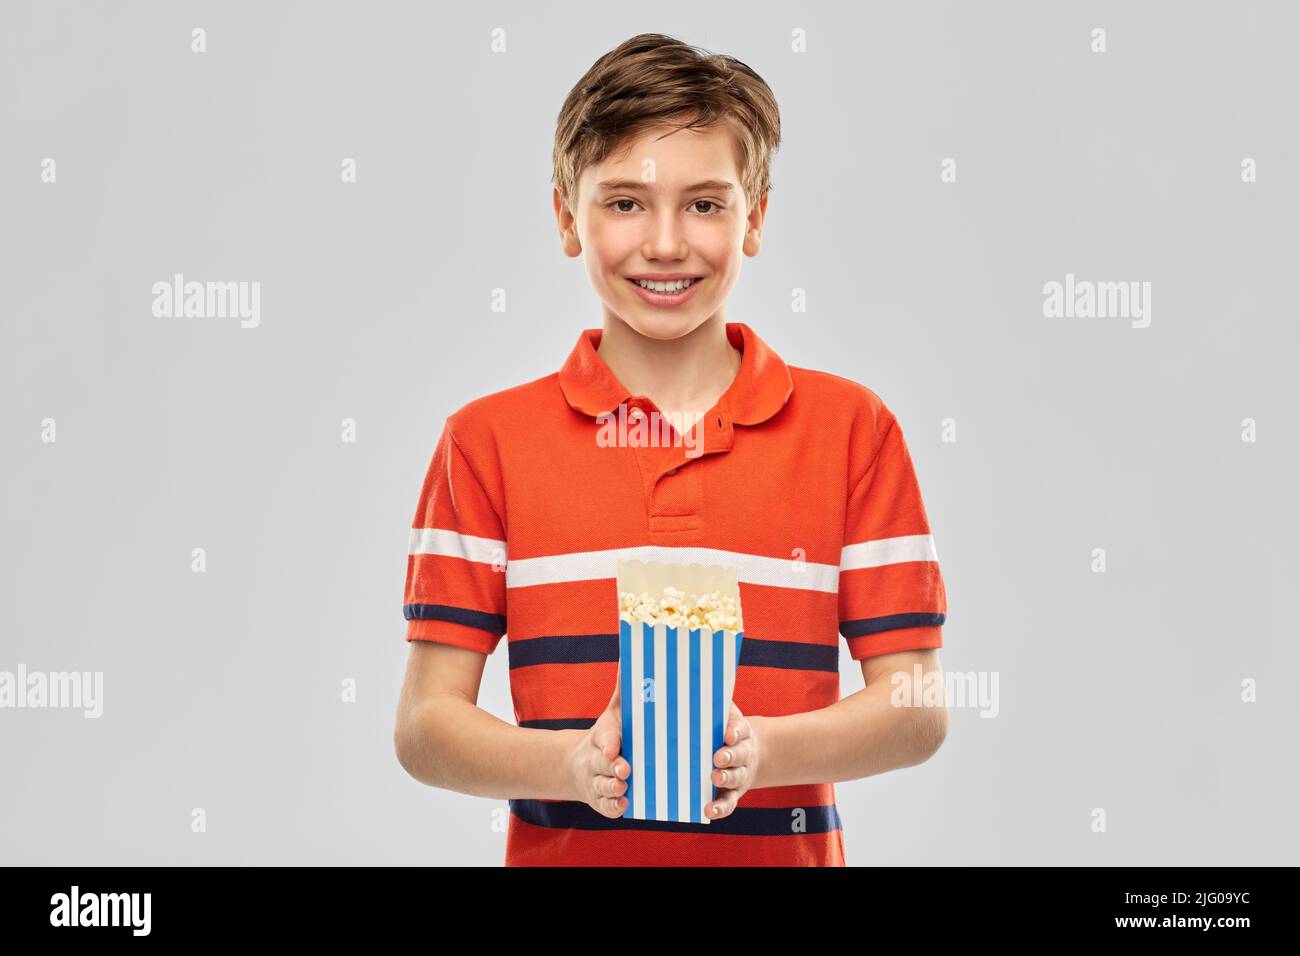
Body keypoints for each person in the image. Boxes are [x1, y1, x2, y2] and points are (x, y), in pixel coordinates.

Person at [394, 33, 949, 866]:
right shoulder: (486, 444)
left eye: (705, 203)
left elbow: (915, 706)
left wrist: (763, 753)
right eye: (624, 203)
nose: (663, 243)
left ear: (754, 216)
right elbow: (425, 725)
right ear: (565, 218)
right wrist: (571, 766)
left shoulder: (852, 431)